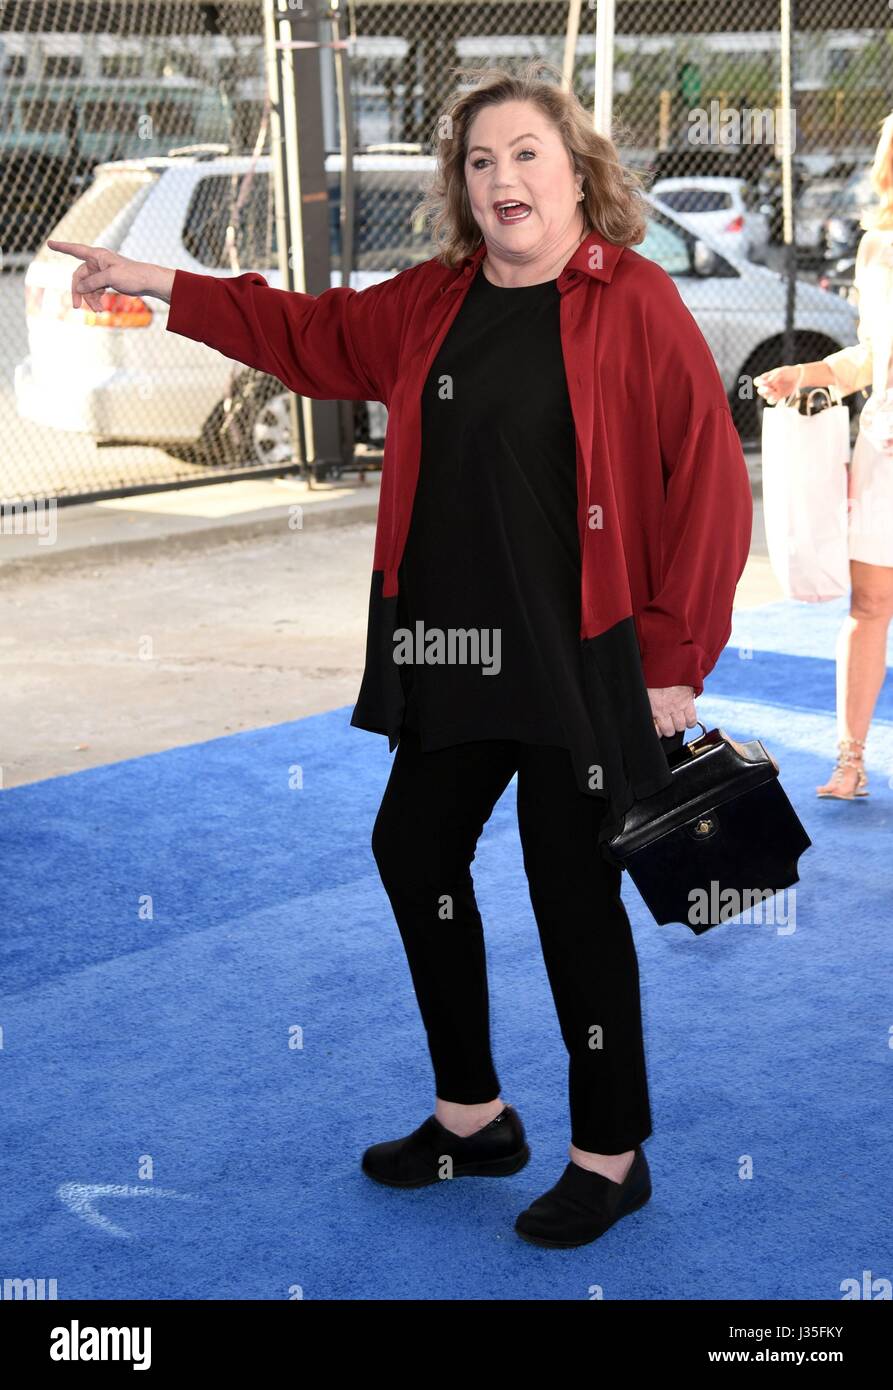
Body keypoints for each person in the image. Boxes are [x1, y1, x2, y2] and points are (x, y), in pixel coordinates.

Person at [47, 59, 752, 1250]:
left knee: (566, 883)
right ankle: (471, 1116)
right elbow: (309, 334)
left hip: (584, 655)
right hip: (453, 649)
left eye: (525, 153)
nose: (501, 178)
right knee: (411, 843)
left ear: (575, 171)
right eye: (479, 162)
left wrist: (675, 658)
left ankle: (609, 1151)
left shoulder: (631, 300)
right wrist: (161, 282)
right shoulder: (436, 298)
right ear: (460, 188)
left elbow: (710, 484)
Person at [755, 111, 893, 801]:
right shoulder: (876, 248)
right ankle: (850, 760)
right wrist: (802, 375)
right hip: (883, 446)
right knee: (869, 604)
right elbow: (869, 356)